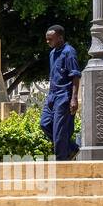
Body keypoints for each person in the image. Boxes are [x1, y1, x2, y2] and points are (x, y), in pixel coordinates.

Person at [41, 25, 81, 161]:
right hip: (52, 95)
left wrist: (74, 98)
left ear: (60, 37)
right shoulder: (52, 53)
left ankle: (61, 162)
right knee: (45, 123)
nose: (48, 42)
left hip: (64, 96)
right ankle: (71, 148)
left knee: (59, 132)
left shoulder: (69, 52)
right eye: (47, 39)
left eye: (50, 39)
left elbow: (75, 75)